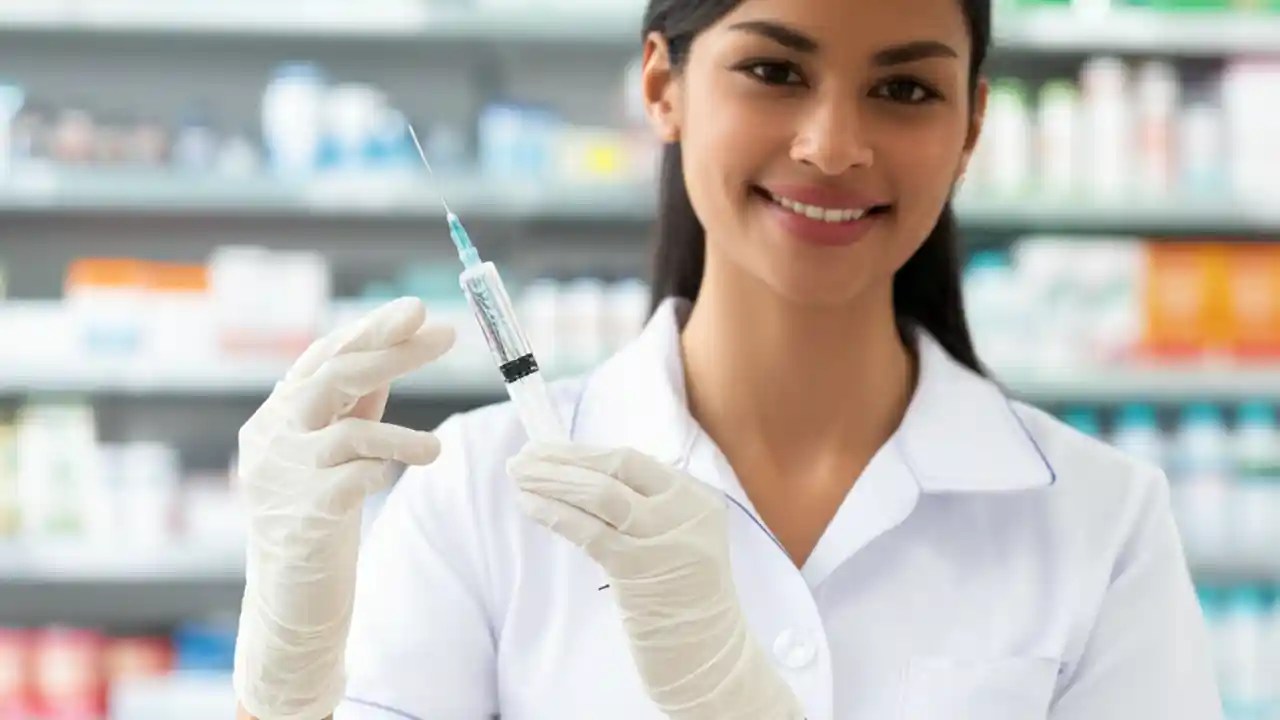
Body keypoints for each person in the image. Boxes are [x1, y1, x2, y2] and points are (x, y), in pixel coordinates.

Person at [233, 0, 1224, 717]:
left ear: (969, 122)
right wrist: (281, 691)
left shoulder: (1100, 520)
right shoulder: (474, 494)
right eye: (774, 70)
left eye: (902, 87)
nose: (833, 146)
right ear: (661, 85)